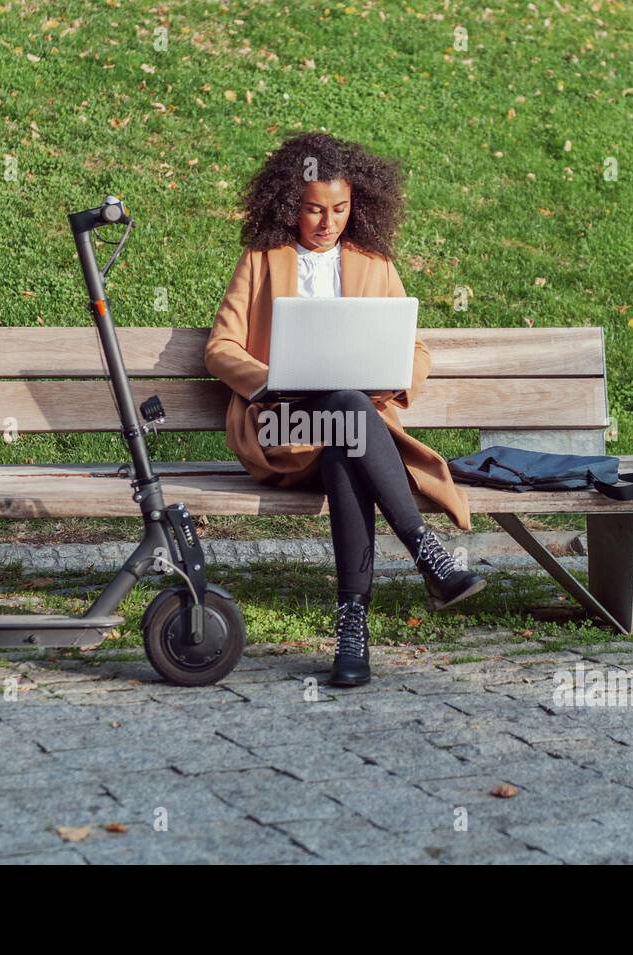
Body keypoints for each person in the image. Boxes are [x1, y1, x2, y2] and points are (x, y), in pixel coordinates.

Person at [204, 131, 485, 687]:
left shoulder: (372, 263)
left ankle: (351, 637)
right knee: (347, 414)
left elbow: (416, 350)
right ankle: (425, 552)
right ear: (290, 205)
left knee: (346, 427)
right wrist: (273, 379)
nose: (327, 222)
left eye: (339, 208)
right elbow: (220, 349)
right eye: (313, 210)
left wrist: (388, 375)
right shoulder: (262, 260)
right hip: (282, 426)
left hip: (342, 435)